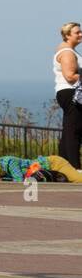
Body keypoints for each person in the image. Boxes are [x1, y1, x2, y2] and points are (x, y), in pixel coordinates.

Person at [53, 22, 82, 168]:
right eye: (77, 32)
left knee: (69, 129)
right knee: (74, 130)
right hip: (71, 93)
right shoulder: (67, 53)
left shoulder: (69, 50)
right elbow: (70, 76)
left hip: (69, 93)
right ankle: (74, 167)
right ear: (67, 35)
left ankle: (63, 165)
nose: (81, 34)